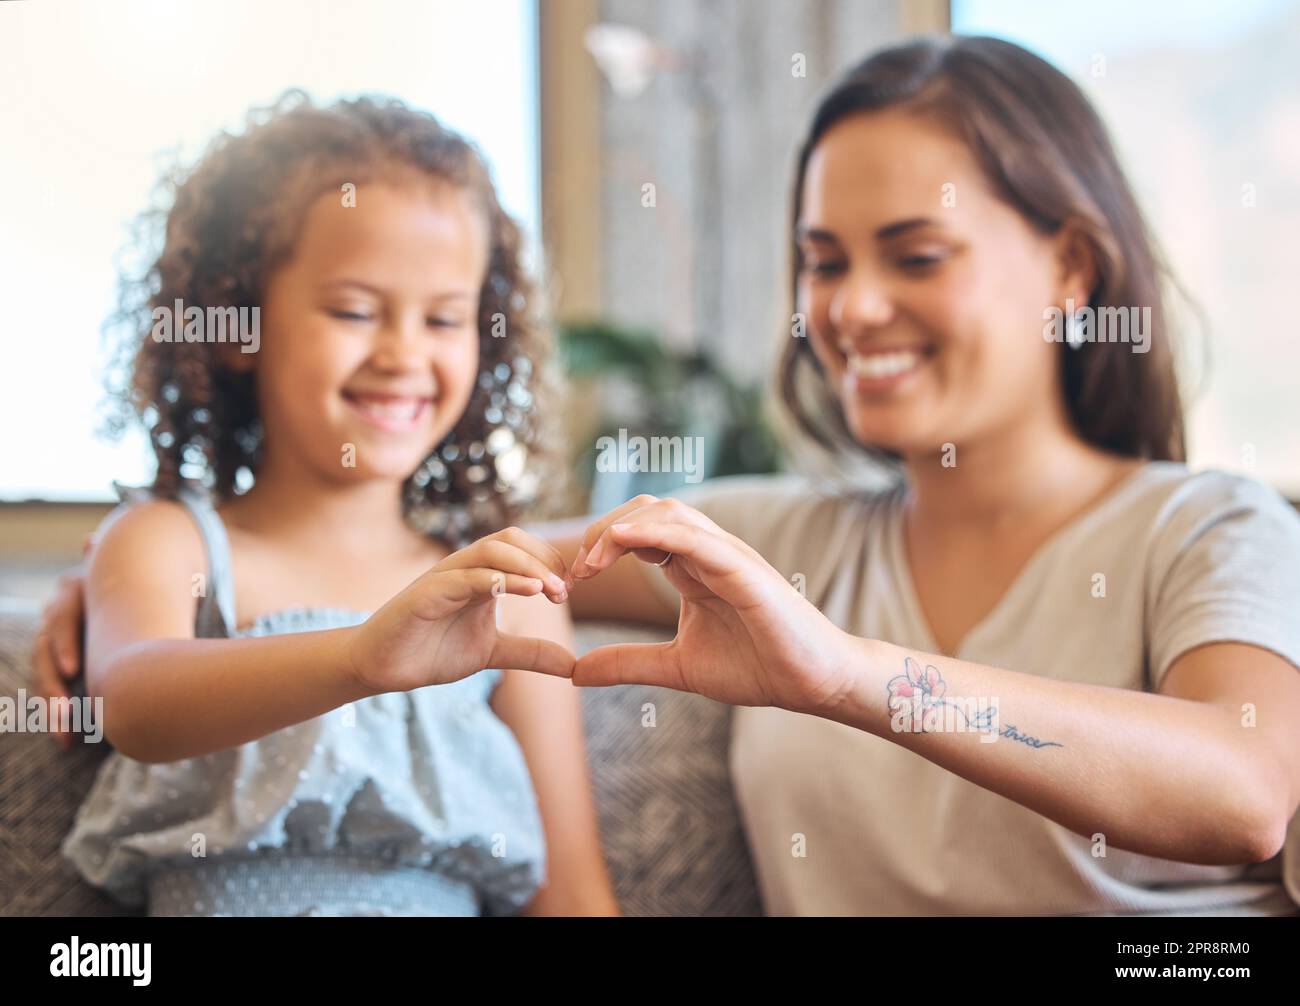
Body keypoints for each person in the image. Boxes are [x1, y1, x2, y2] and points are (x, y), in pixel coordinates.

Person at [36, 37, 1300, 916]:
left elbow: (1244, 787)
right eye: (822, 258)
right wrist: (122, 587)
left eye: (914, 254)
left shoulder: (1206, 527)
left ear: (1073, 271)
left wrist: (845, 673)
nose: (851, 306)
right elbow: (426, 568)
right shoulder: (782, 536)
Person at [41, 90, 618, 917]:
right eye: (354, 310)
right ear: (241, 324)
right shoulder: (167, 547)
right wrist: (359, 658)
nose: (403, 354)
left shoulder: (511, 599)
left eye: (445, 319)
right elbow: (137, 703)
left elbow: (573, 898)